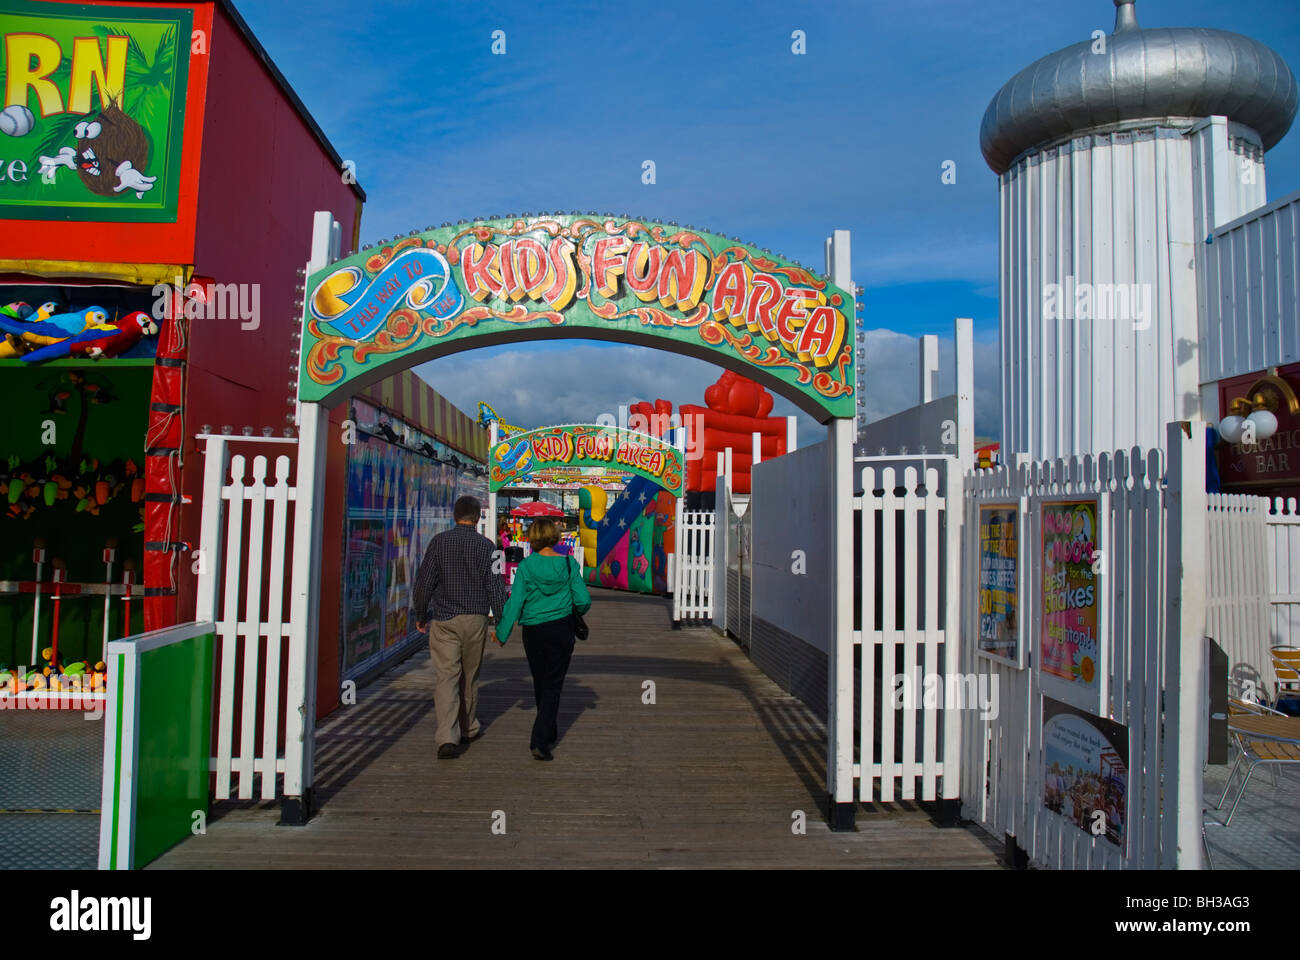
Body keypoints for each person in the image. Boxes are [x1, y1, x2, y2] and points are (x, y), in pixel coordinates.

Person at [412, 495, 506, 759]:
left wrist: (420, 614)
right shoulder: (488, 547)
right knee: (470, 674)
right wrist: (501, 622)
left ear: (455, 516)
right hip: (475, 619)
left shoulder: (439, 543)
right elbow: (496, 588)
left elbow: (424, 583)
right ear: (477, 518)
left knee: (446, 677)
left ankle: (446, 736)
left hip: (445, 620)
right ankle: (468, 727)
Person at [495, 517, 591, 761]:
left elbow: (515, 601)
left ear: (533, 538)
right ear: (555, 537)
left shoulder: (526, 567)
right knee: (553, 683)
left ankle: (546, 728)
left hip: (534, 631)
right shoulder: (568, 564)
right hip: (561, 628)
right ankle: (541, 738)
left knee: (541, 681)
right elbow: (583, 600)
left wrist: (502, 632)